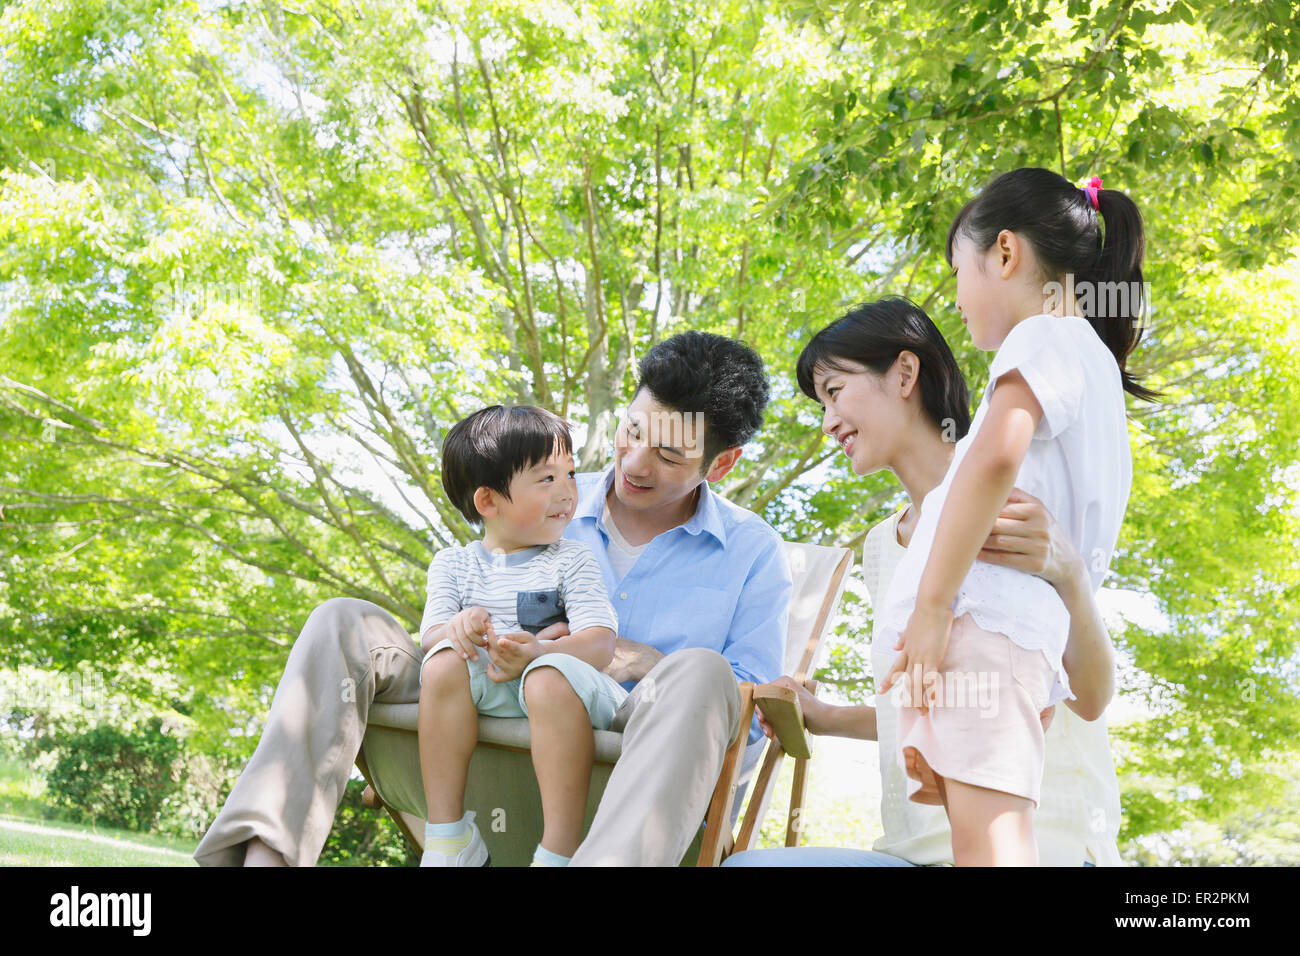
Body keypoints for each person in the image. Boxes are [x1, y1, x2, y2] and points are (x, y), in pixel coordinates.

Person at [193, 330, 792, 866]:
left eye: (667, 455)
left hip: (630, 770)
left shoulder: (751, 551)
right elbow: (464, 599)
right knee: (341, 623)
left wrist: (609, 654)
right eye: (632, 431)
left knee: (706, 672)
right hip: (479, 733)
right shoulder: (541, 492)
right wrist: (472, 631)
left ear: (723, 463)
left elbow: (747, 706)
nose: (634, 462)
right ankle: (265, 856)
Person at [725, 294, 1123, 868]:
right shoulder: (883, 547)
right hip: (914, 851)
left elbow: (1090, 697)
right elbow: (939, 699)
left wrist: (1070, 573)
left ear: (904, 373)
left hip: (1043, 845)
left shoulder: (1014, 494)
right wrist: (826, 715)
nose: (827, 422)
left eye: (834, 392)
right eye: (820, 404)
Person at [874, 169, 1154, 865]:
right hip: (1008, 646)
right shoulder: (1090, 370)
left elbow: (994, 461)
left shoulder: (1046, 334)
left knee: (992, 851)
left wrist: (933, 607)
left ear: (1005, 253)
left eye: (958, 271)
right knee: (990, 845)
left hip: (983, 632)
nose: (957, 301)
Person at [416, 404, 624, 867]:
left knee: (546, 676)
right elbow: (430, 636)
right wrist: (459, 626)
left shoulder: (572, 559)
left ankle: (559, 853)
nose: (568, 491)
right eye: (547, 479)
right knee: (444, 660)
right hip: (490, 686)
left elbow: (599, 644)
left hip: (565, 694)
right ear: (488, 502)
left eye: (570, 474)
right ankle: (448, 837)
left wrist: (541, 651)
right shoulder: (454, 564)